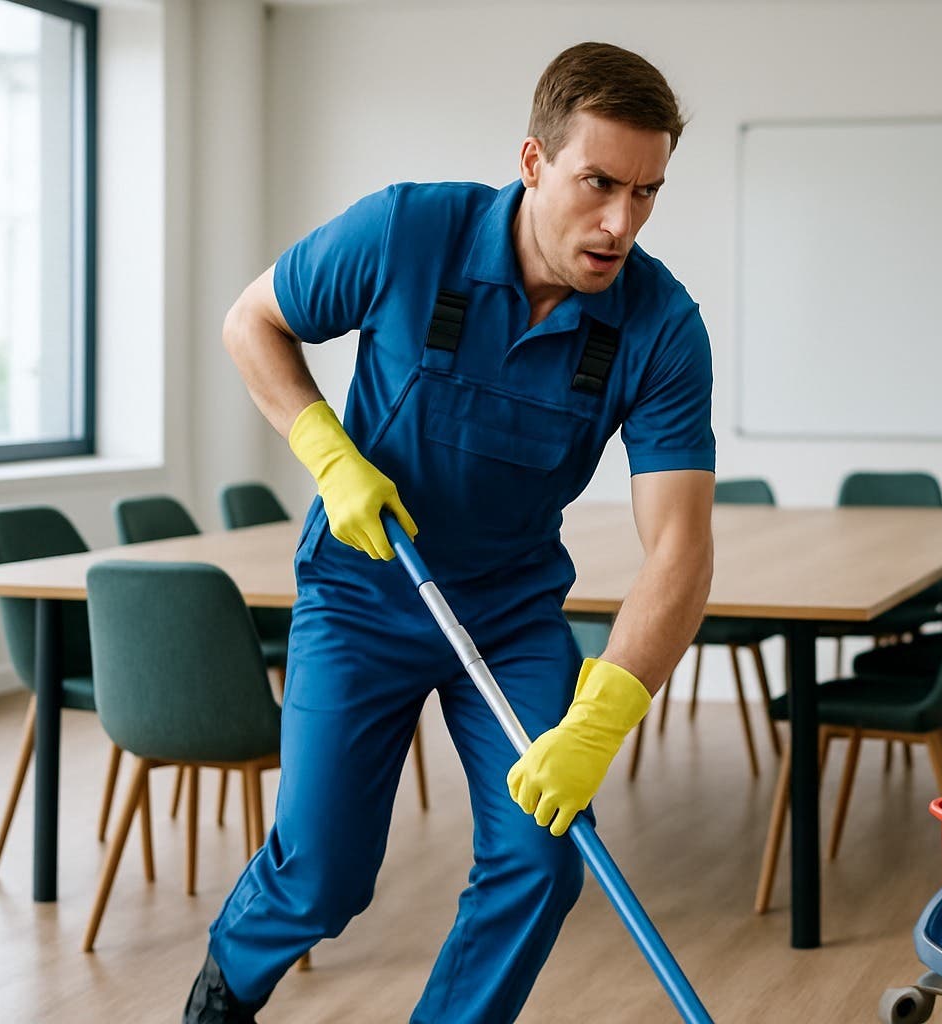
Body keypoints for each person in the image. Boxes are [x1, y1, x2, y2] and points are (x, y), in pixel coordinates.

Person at [184, 41, 715, 1024]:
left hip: (510, 615)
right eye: (599, 182)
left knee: (540, 859)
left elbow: (680, 550)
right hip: (363, 595)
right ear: (532, 162)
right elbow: (250, 322)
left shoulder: (660, 325)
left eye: (647, 193)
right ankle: (226, 984)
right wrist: (327, 451)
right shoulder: (406, 232)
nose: (621, 223)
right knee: (323, 874)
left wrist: (599, 724)